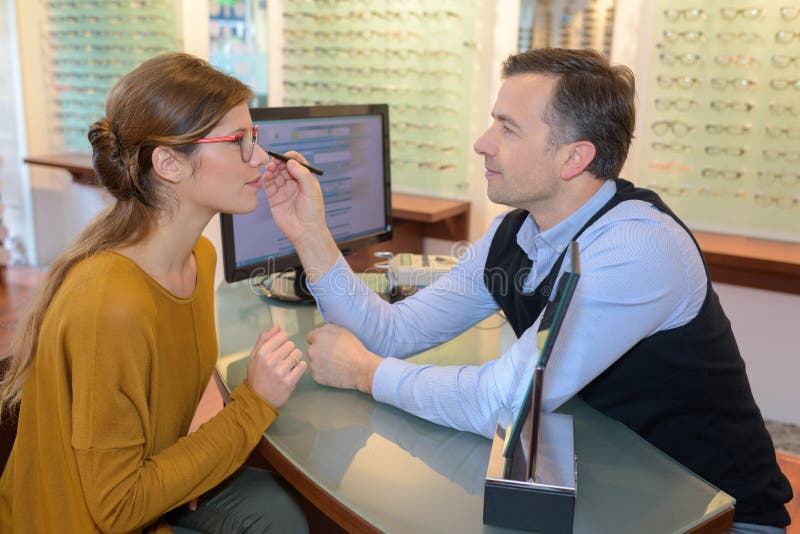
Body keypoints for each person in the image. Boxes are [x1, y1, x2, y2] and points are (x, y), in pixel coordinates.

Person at [263, 48, 792, 532]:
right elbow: (393, 330)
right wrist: (310, 234)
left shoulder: (638, 249)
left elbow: (503, 402)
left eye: (507, 129)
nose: (482, 143)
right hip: (610, 479)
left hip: (712, 512)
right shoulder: (516, 230)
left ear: (573, 159)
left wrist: (363, 372)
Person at [0, 53, 308, 534]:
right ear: (167, 163)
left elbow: (173, 376)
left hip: (141, 492)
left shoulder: (197, 259)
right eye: (238, 142)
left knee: (280, 511)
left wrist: (189, 460)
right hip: (85, 521)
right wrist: (254, 401)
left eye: (256, 138)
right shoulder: (110, 304)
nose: (262, 158)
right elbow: (116, 508)